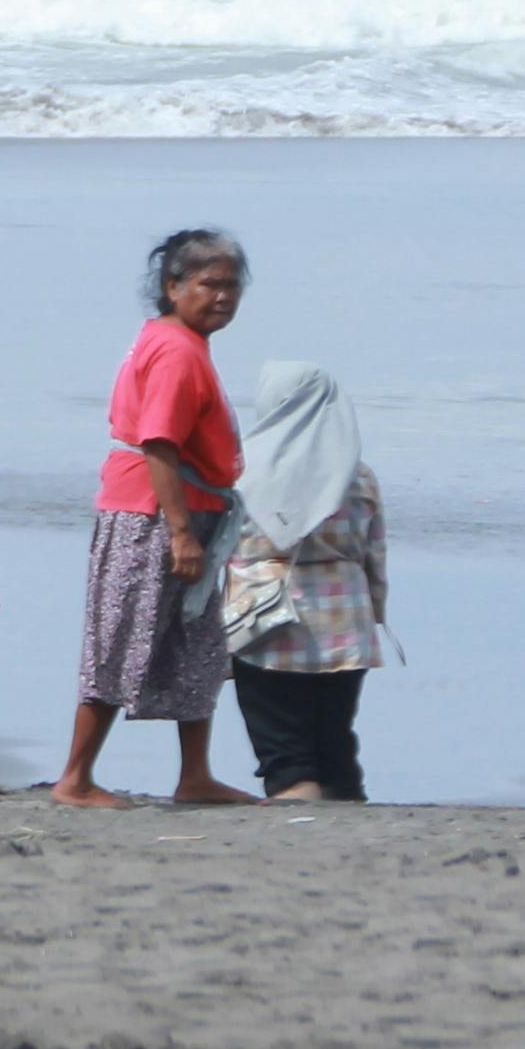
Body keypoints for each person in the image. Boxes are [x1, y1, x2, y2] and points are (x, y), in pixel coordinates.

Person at [58, 227, 255, 810]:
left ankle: (195, 775)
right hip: (151, 516)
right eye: (207, 284)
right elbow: (160, 444)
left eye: (231, 285)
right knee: (120, 640)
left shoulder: (184, 342)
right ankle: (75, 779)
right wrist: (178, 533)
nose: (222, 296)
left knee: (198, 647)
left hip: (190, 514)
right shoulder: (173, 349)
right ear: (172, 287)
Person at [219, 359, 389, 803]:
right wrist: (377, 613)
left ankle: (298, 807)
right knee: (335, 738)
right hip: (346, 623)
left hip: (267, 621)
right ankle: (343, 805)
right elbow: (373, 554)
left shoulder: (240, 471)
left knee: (286, 749)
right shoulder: (358, 474)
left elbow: (226, 546)